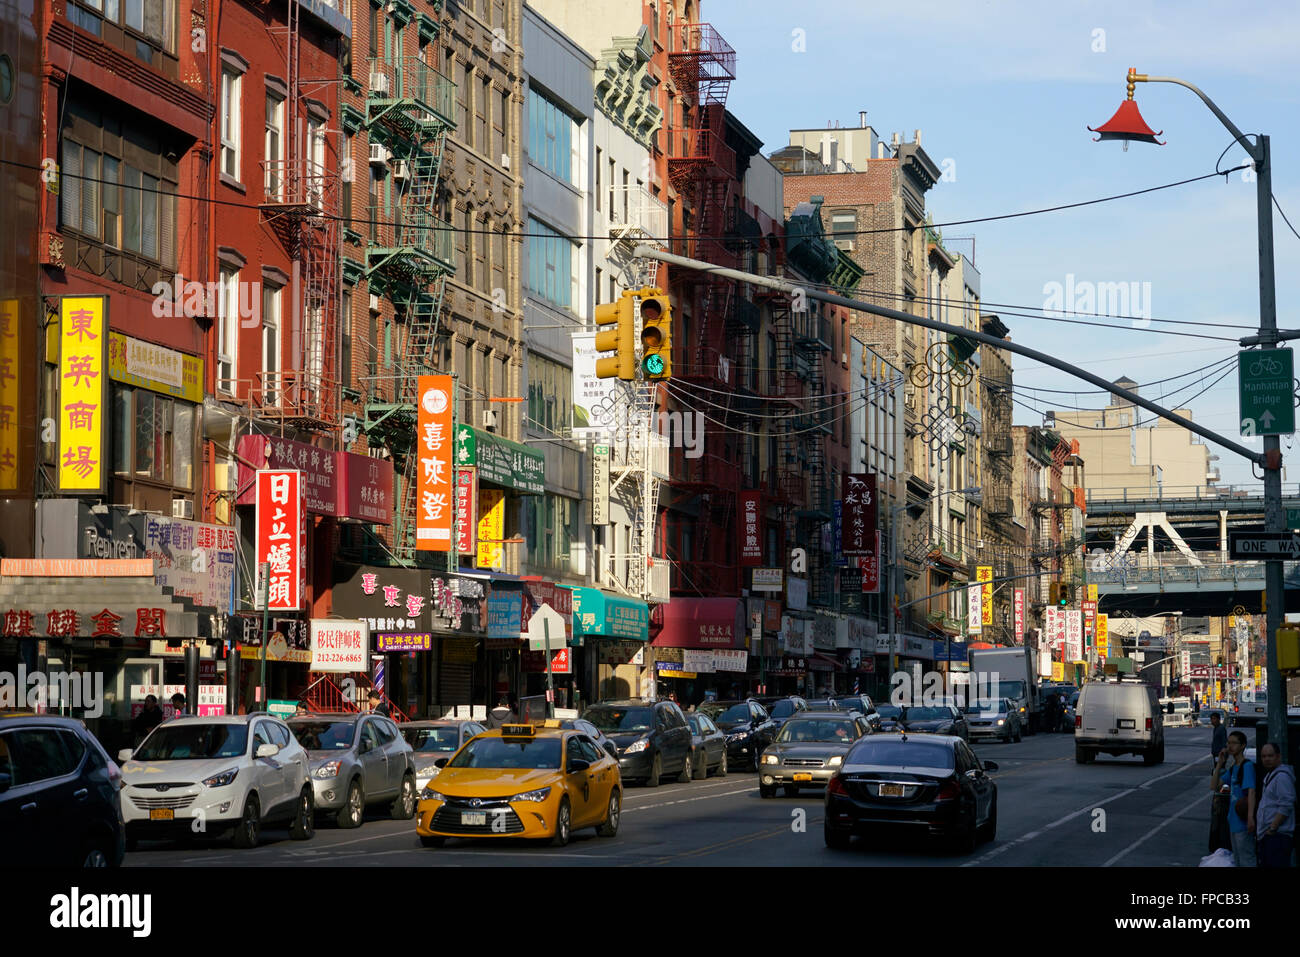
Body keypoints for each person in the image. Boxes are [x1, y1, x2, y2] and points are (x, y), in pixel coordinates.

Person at [1212, 730, 1256, 867]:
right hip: (1233, 821)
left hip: (1243, 823)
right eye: (1228, 743)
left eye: (1234, 743)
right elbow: (1214, 786)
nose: (1230, 746)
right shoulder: (1233, 768)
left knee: (1246, 859)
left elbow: (1251, 792)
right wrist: (1219, 764)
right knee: (1237, 860)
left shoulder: (1247, 766)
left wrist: (1250, 818)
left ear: (1242, 745)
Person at [1255, 742, 1296, 868]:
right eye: (1263, 756)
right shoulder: (1269, 776)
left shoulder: (1282, 777)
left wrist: (1272, 828)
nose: (1266, 759)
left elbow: (1286, 804)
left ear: (1278, 756)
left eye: (1270, 756)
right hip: (1268, 837)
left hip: (1277, 837)